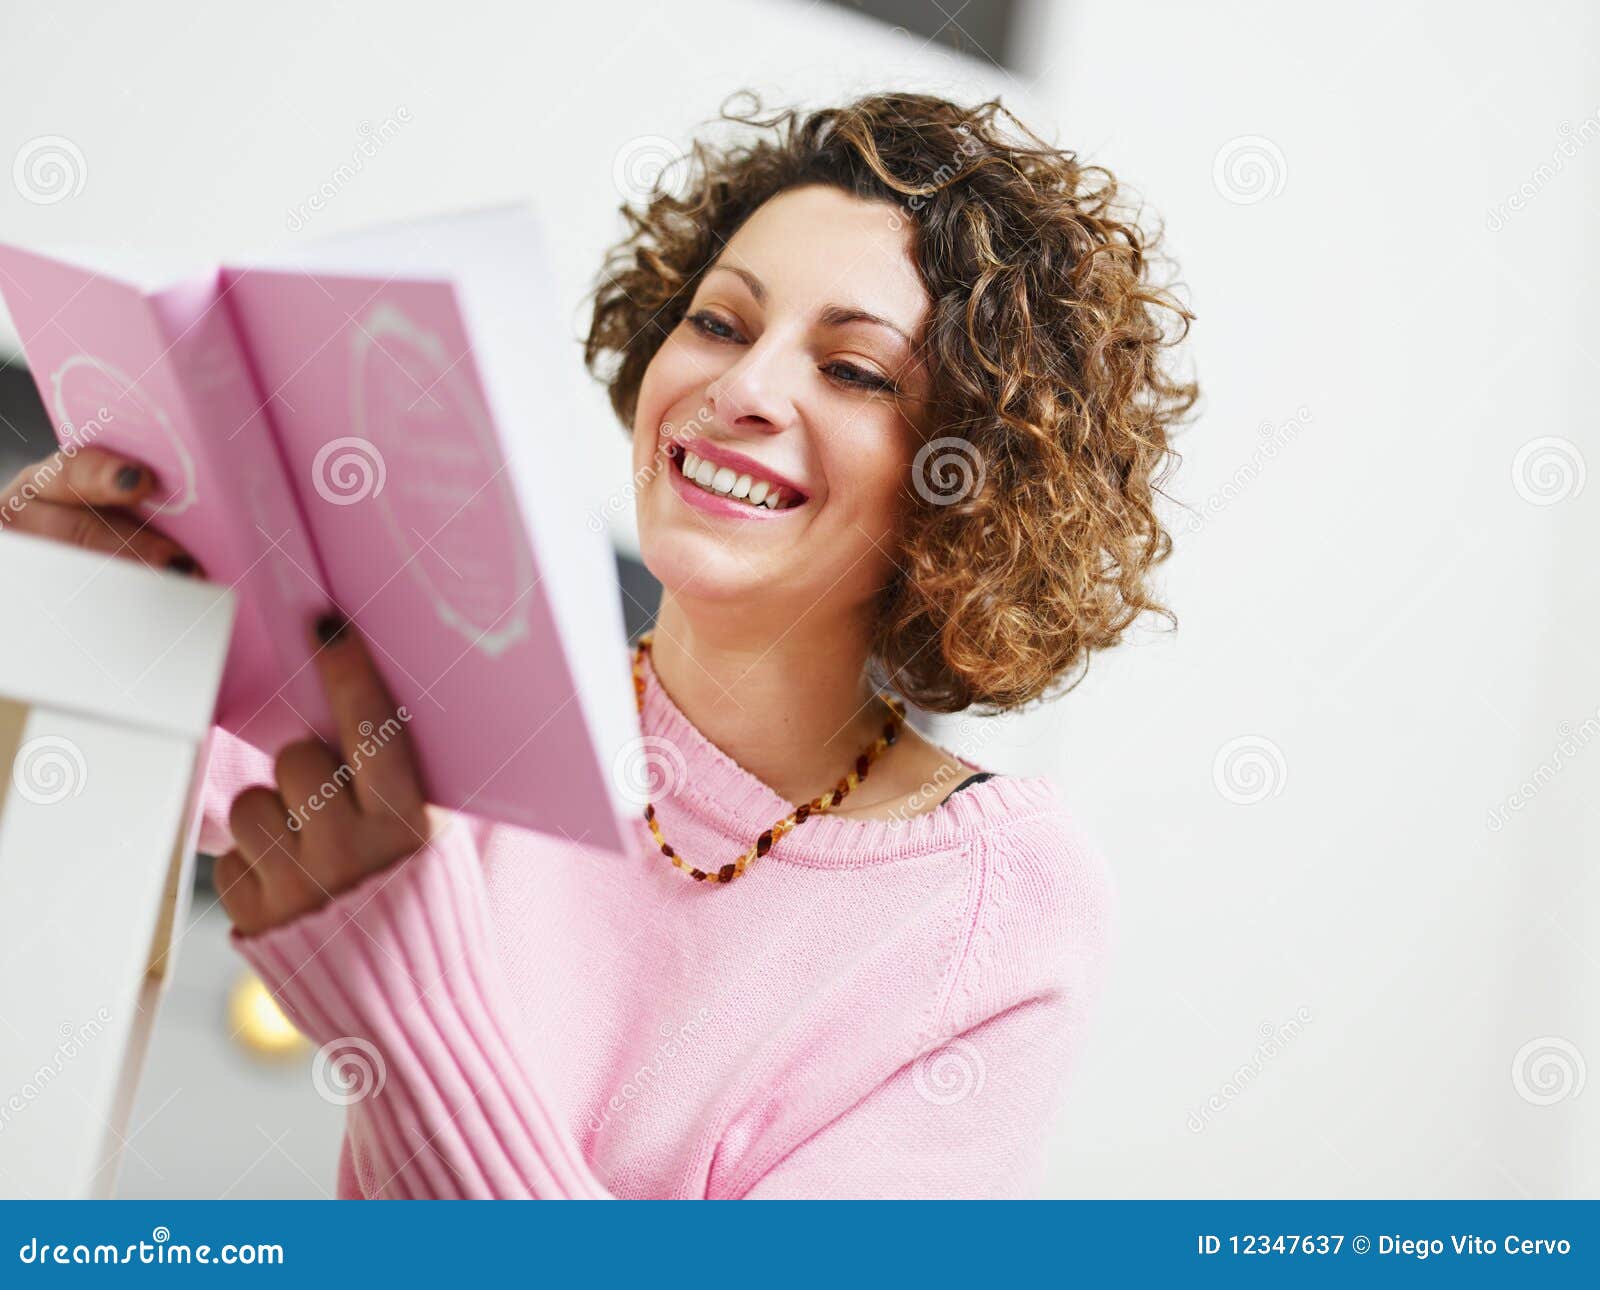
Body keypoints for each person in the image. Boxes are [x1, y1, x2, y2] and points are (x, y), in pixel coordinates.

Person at [0, 91, 1196, 1197]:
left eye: (850, 369)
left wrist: (403, 1001)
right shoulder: (439, 683)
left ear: (967, 483)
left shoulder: (993, 912)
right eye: (719, 322)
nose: (743, 388)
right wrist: (50, 604)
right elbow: (50, 778)